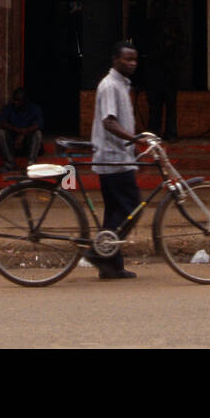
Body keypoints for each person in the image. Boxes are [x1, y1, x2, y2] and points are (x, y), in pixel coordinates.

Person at [89, 42, 144, 280]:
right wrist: (134, 139)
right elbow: (109, 122)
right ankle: (98, 253)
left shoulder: (122, 85)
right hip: (113, 158)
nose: (132, 63)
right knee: (132, 207)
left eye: (135, 59)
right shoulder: (111, 85)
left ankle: (110, 265)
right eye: (127, 59)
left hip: (118, 157)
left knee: (115, 212)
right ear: (115, 60)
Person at [0, 88, 43, 171]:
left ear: (25, 101)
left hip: (28, 142)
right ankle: (9, 164)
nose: (15, 102)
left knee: (38, 134)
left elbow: (38, 124)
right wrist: (18, 131)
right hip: (13, 141)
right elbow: (1, 122)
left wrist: (24, 134)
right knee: (1, 132)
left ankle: (31, 164)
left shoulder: (34, 108)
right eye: (14, 100)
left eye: (18, 100)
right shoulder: (9, 107)